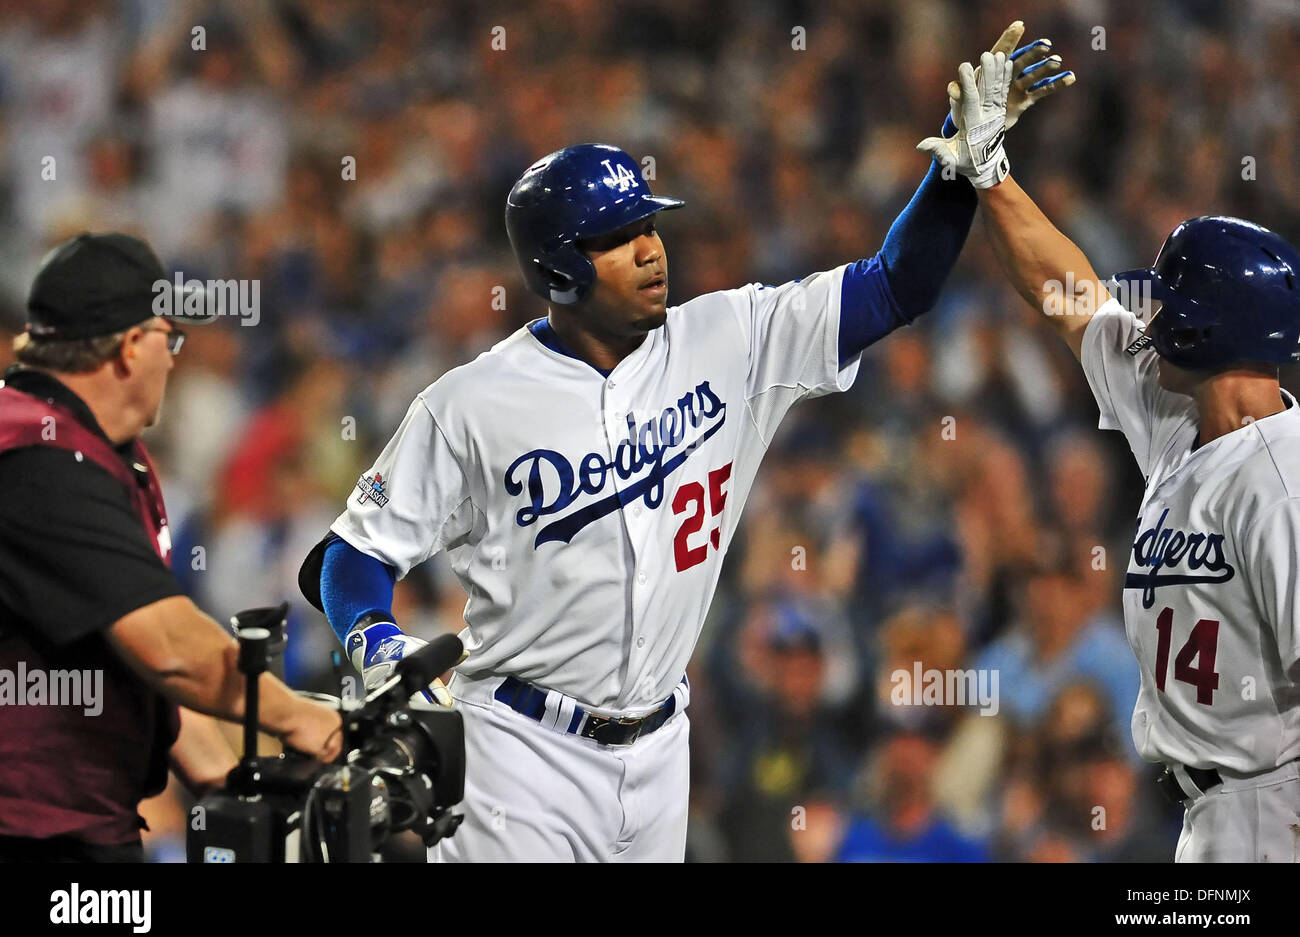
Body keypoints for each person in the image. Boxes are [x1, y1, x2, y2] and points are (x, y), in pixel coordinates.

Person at [300, 24, 1074, 862]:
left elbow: (896, 286)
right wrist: (377, 641)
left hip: (664, 748)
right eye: (619, 237)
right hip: (520, 749)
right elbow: (348, 555)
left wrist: (957, 174)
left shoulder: (730, 336)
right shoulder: (471, 404)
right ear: (560, 270)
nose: (650, 249)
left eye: (650, 226)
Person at [922, 55, 1300, 862]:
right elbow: (1070, 297)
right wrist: (989, 171)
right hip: (1203, 817)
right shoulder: (1180, 414)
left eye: (1169, 303)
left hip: (1275, 816)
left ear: (1209, 330)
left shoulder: (1285, 485)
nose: (1149, 314)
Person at [0, 233, 342, 863]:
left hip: (75, 821)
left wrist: (230, 778)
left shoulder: (90, 447)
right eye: (170, 338)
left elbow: (136, 660)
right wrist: (300, 717)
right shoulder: (39, 459)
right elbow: (170, 649)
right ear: (133, 346)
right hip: (32, 834)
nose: (175, 358)